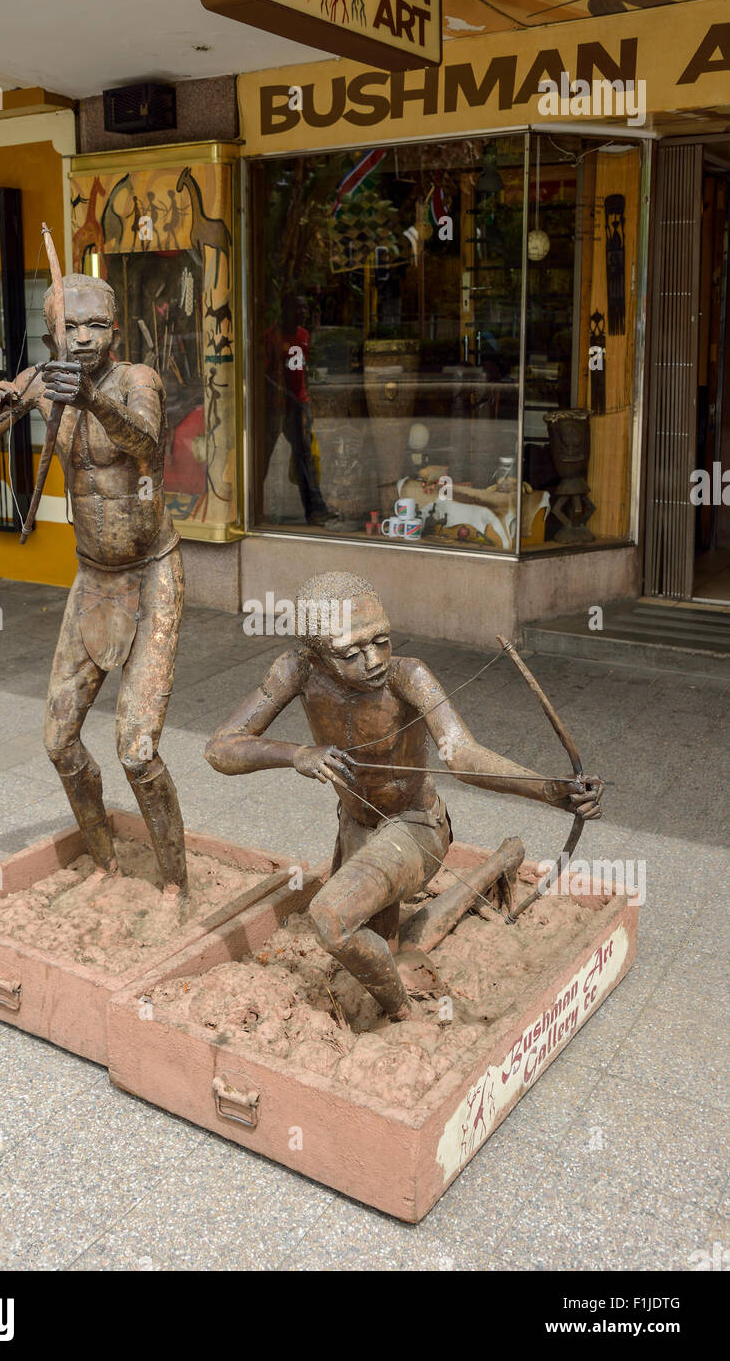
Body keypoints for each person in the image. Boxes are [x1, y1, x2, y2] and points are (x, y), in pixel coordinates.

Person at [205, 571, 603, 1021]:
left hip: (416, 824)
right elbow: (221, 748)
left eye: (381, 640)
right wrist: (295, 753)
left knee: (331, 918)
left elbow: (462, 754)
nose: (373, 660)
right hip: (357, 823)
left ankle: (403, 1016)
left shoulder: (407, 675)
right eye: (350, 653)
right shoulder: (296, 669)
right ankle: (502, 860)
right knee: (387, 944)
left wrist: (553, 790)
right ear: (315, 653)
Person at [0, 273, 188, 894]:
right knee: (59, 740)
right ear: (52, 332)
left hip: (152, 571)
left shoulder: (137, 380)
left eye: (94, 324)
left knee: (136, 749)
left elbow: (149, 442)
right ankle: (103, 859)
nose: (82, 337)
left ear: (116, 330)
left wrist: (91, 401)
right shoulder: (41, 383)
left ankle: (176, 884)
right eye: (68, 327)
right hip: (94, 577)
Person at [263, 294, 328, 525]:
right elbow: (263, 374)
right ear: (286, 309)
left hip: (299, 406)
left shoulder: (304, 335)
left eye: (305, 308)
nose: (302, 313)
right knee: (262, 457)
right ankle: (254, 508)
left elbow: (302, 371)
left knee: (305, 457)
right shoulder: (271, 336)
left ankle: (316, 511)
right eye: (298, 308)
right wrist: (284, 395)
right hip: (276, 408)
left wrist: (306, 399)